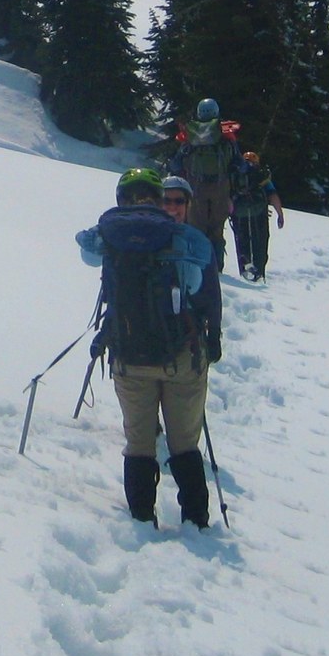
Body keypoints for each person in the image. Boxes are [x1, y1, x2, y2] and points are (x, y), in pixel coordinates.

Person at [75, 167, 223, 529]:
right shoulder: (185, 238)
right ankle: (196, 522)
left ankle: (142, 519)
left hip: (128, 355)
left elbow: (85, 249)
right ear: (158, 199)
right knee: (184, 443)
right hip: (182, 357)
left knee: (139, 442)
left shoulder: (108, 236)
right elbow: (202, 283)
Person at [160, 98, 239, 272]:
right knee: (217, 229)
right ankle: (216, 267)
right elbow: (238, 163)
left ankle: (197, 263)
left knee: (196, 226)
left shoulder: (190, 133)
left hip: (195, 187)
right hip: (220, 187)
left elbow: (176, 164)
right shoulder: (225, 132)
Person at [228, 149, 284, 281]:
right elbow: (272, 194)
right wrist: (280, 214)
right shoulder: (261, 175)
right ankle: (259, 273)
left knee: (242, 243)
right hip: (259, 213)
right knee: (260, 243)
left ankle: (245, 272)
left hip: (239, 214)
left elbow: (228, 195)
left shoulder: (235, 175)